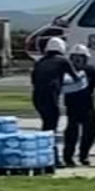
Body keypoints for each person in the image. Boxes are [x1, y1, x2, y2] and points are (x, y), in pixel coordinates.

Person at [60, 42, 95, 167]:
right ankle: (68, 156)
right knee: (72, 132)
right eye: (75, 57)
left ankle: (84, 155)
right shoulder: (66, 71)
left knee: (91, 131)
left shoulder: (90, 70)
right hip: (72, 105)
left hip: (88, 105)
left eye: (81, 57)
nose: (78, 60)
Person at [29, 36, 69, 166]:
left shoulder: (40, 62)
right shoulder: (63, 61)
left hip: (37, 97)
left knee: (46, 125)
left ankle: (45, 154)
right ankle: (53, 158)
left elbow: (33, 80)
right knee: (51, 128)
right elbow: (76, 77)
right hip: (51, 96)